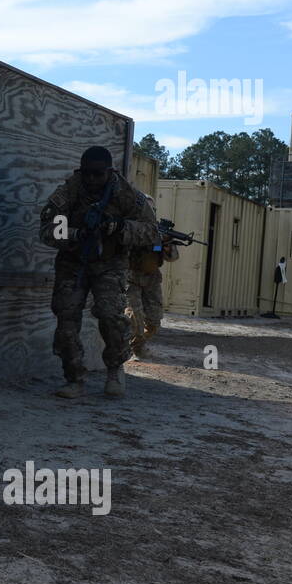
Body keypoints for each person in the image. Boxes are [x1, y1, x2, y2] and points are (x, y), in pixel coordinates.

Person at [39, 147, 158, 398]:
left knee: (111, 317)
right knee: (66, 320)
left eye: (97, 174)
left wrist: (120, 228)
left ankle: (115, 369)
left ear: (109, 171)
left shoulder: (125, 195)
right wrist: (75, 234)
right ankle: (74, 378)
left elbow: (152, 231)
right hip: (74, 262)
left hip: (110, 263)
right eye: (87, 174)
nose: (92, 179)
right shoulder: (70, 191)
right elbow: (48, 229)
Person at [126, 195, 178, 359]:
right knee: (135, 319)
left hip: (152, 279)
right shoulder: (131, 226)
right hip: (131, 278)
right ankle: (132, 347)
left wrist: (167, 243)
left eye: (152, 209)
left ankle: (135, 344)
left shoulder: (159, 231)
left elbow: (173, 257)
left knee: (154, 322)